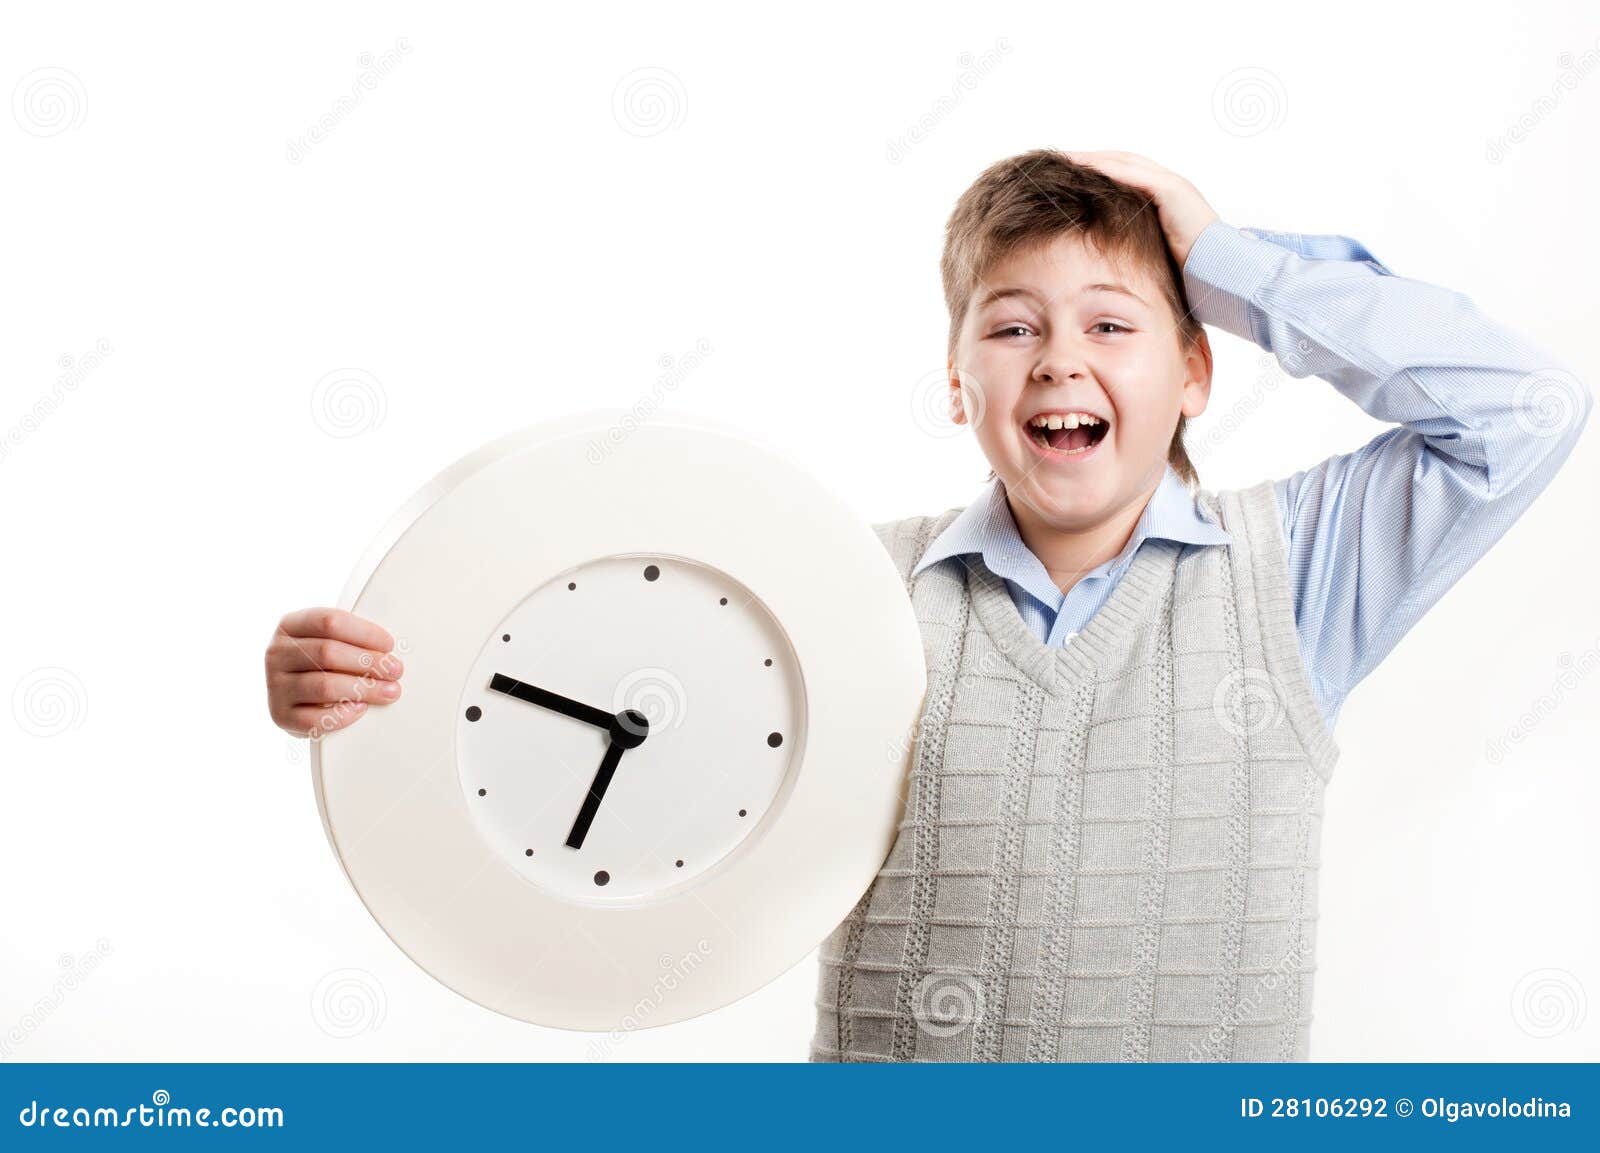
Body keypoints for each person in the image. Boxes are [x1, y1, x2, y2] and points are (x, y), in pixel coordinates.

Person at [266, 149, 1590, 1061]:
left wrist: (1229, 257)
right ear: (959, 385)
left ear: (1198, 367)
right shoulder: (834, 589)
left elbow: (1521, 407)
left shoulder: (1299, 571)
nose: (1061, 355)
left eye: (1113, 323)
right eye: (1011, 325)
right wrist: (376, 672)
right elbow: (603, 693)